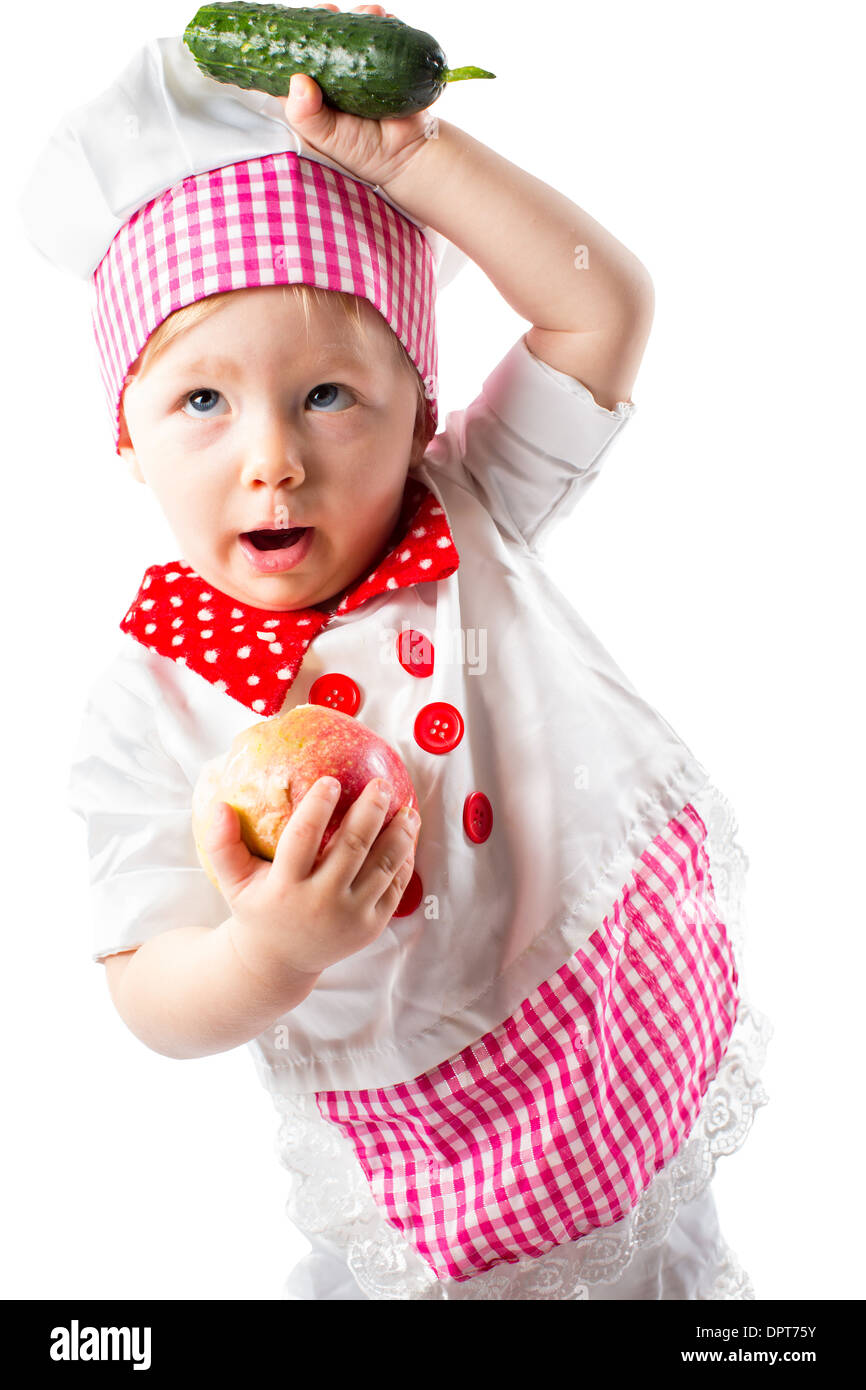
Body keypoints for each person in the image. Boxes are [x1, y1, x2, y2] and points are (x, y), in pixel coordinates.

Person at [20, 6, 770, 1300]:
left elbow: (603, 311)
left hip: (630, 1130)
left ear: (420, 408)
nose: (273, 455)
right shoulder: (150, 699)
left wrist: (412, 164)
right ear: (124, 438)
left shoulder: (465, 504)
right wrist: (266, 948)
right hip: (420, 1214)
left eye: (328, 393)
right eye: (201, 398)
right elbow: (145, 986)